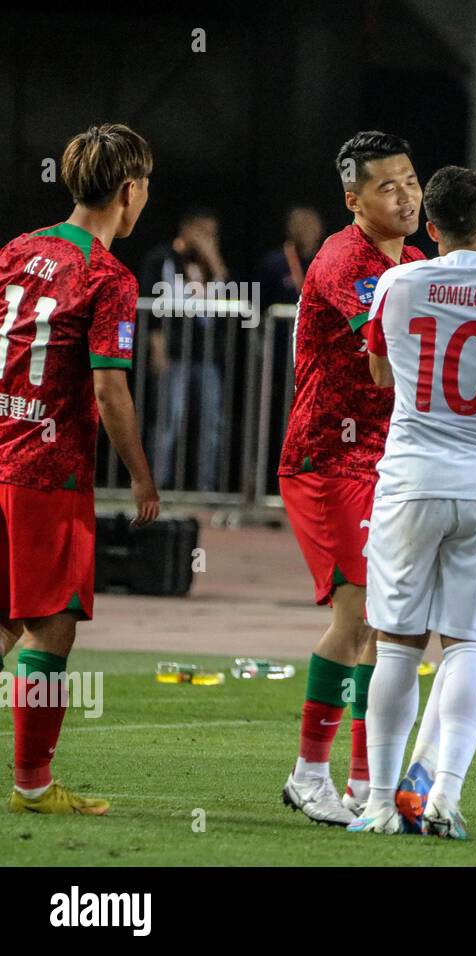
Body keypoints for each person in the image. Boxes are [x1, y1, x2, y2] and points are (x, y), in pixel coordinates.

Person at [0, 123, 160, 814]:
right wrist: (142, 476)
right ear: (129, 191)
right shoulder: (107, 275)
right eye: (145, 186)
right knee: (52, 621)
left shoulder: (16, 249)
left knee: (6, 621)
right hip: (46, 470)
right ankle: (33, 784)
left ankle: (34, 781)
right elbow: (108, 388)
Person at [277, 131, 424, 826]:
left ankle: (367, 782)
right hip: (327, 458)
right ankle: (310, 773)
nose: (406, 196)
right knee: (361, 612)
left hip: (386, 461)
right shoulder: (346, 260)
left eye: (411, 181)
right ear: (353, 199)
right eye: (388, 186)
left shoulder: (418, 261)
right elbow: (389, 352)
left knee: (384, 619)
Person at [139, 207, 230, 491]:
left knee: (211, 424)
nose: (207, 239)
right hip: (174, 353)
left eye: (213, 234)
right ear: (186, 228)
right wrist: (157, 346)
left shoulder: (210, 266)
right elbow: (149, 306)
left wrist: (214, 261)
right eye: (202, 232)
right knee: (169, 420)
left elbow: (232, 301)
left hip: (206, 357)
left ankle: (206, 487)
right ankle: (157, 483)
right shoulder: (161, 259)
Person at [257, 206, 325, 306]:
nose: (306, 230)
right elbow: (258, 301)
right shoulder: (274, 263)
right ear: (290, 229)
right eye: (301, 225)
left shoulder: (330, 264)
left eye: (310, 224)